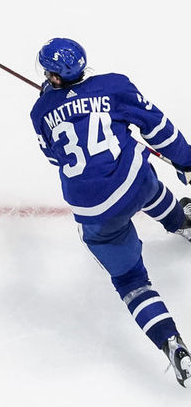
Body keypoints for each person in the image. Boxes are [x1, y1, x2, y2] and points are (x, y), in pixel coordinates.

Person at [31, 38, 191, 387]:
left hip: (94, 209)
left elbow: (55, 158)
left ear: (55, 77)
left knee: (131, 281)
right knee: (143, 185)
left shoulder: (40, 112)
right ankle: (183, 222)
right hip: (135, 181)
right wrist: (187, 161)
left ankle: (170, 341)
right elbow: (159, 128)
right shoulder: (114, 85)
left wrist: (53, 103)